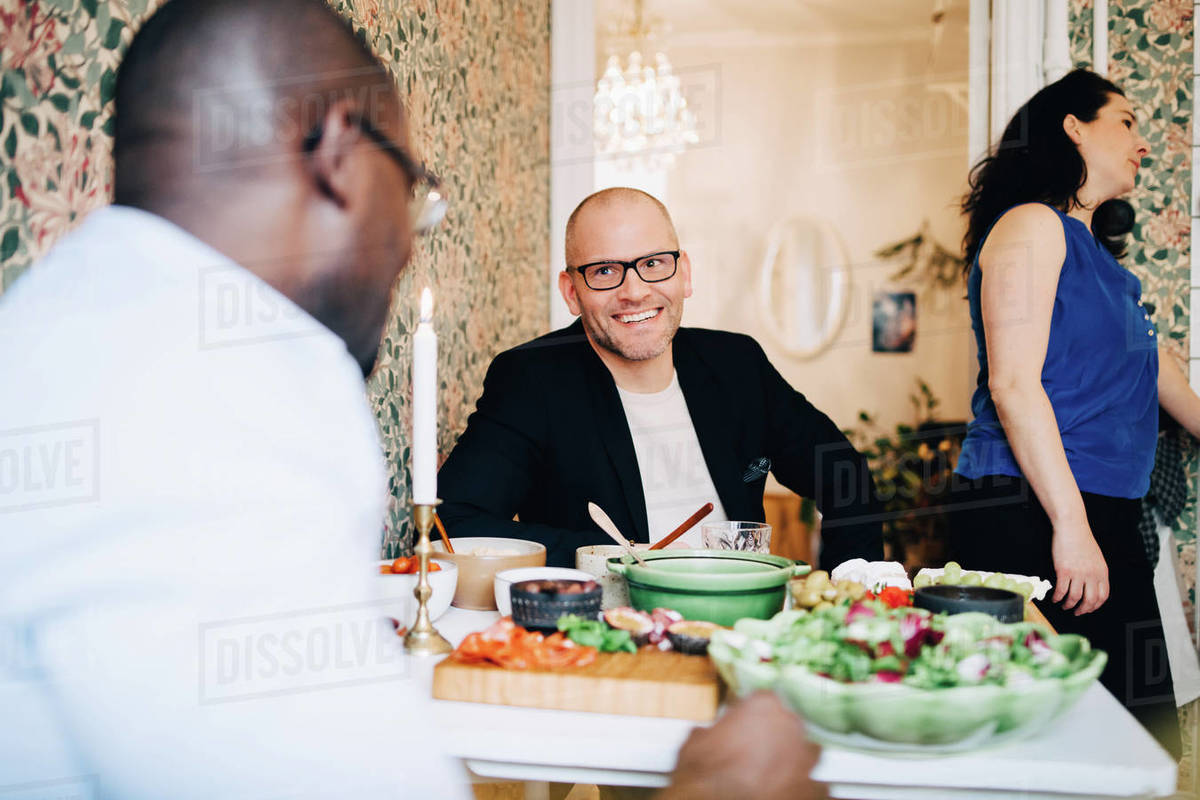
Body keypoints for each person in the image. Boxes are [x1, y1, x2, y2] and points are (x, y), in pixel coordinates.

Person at [0, 1, 826, 798]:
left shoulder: (73, 322)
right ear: (336, 155)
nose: (405, 249)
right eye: (416, 197)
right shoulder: (214, 391)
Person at [949, 68, 1200, 759]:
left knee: (1138, 746)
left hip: (1104, 514)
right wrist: (1071, 526)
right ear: (1073, 127)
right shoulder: (1031, 226)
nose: (1142, 143)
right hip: (1031, 508)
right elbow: (1013, 385)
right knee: (1052, 748)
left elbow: (1175, 395)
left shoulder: (1114, 277)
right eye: (1126, 121)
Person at [438, 188, 883, 569]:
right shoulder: (532, 381)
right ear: (572, 292)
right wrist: (614, 557)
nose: (634, 291)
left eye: (653, 263)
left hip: (744, 627)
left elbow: (845, 476)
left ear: (683, 273)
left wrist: (847, 594)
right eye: (605, 271)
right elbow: (455, 523)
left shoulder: (737, 364)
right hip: (615, 640)